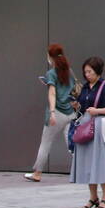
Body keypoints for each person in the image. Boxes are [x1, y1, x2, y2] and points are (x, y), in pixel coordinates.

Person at [70, 56, 105, 208]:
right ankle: (93, 197)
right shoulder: (84, 88)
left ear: (97, 71)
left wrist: (97, 110)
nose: (87, 75)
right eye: (85, 72)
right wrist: (75, 105)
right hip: (86, 126)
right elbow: (82, 108)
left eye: (90, 71)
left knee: (101, 162)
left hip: (100, 127)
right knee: (88, 163)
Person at [25, 43, 77, 182]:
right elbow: (72, 89)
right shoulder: (69, 72)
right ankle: (81, 170)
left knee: (46, 143)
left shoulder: (51, 73)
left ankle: (37, 173)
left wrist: (52, 112)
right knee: (72, 143)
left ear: (50, 57)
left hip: (57, 113)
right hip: (71, 113)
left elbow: (53, 93)